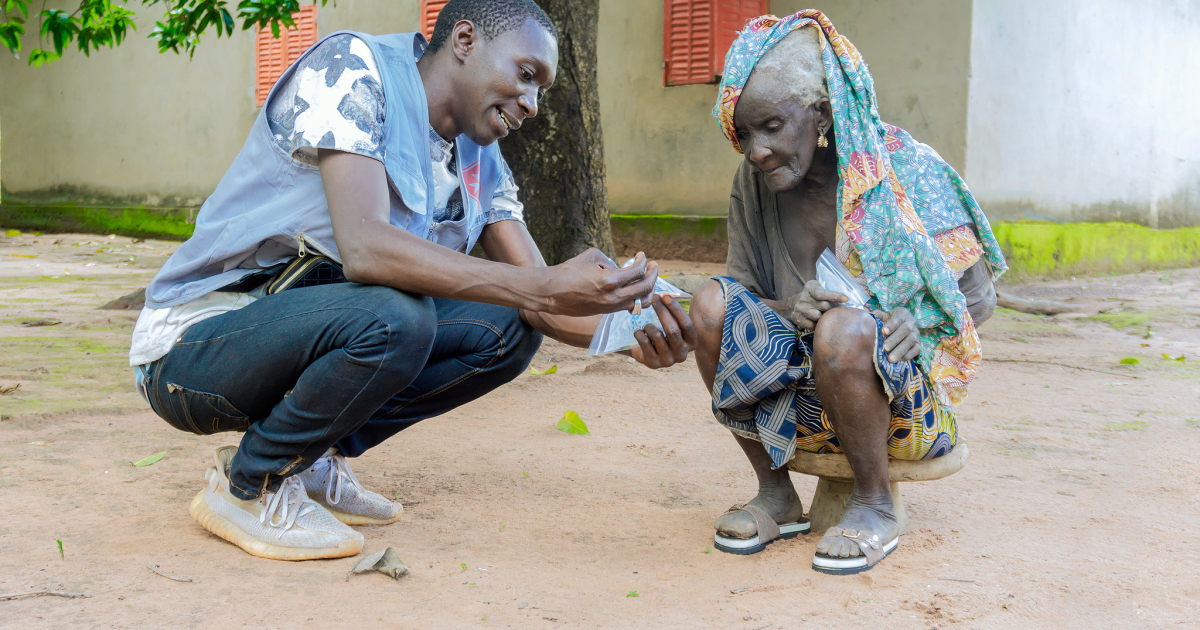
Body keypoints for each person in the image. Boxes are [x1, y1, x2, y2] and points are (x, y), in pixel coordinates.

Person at [129, 0, 693, 561]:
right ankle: (251, 484)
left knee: (507, 331)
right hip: (195, 347)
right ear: (466, 41)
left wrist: (628, 329)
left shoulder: (479, 158)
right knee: (399, 318)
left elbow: (538, 300)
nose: (533, 103)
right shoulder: (354, 69)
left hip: (301, 327)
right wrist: (541, 286)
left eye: (541, 90)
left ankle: (310, 455)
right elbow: (366, 248)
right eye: (526, 76)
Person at [689, 10, 1006, 574]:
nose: (757, 151)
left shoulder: (905, 169)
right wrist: (792, 310)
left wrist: (918, 321)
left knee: (842, 329)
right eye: (745, 134)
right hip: (798, 402)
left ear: (822, 115)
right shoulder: (754, 186)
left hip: (903, 410)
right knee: (709, 303)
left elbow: (978, 298)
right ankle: (776, 493)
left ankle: (875, 505)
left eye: (772, 127)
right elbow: (741, 304)